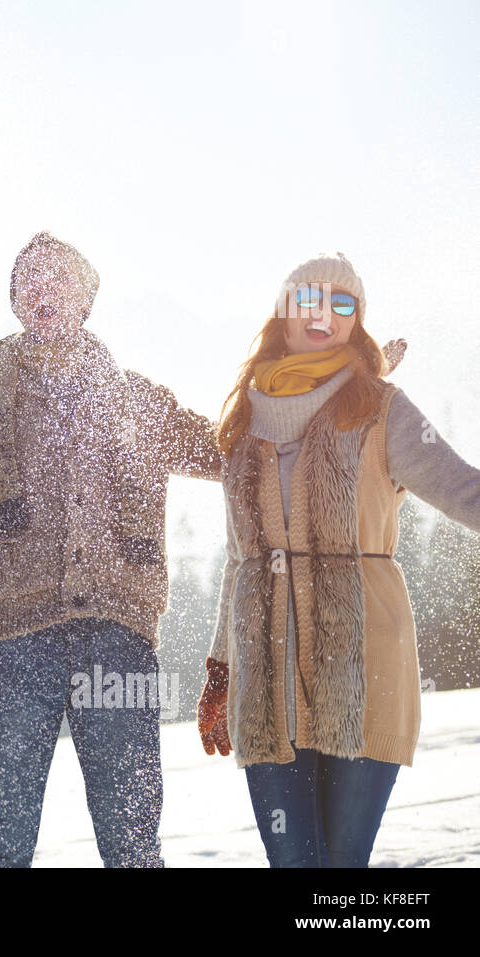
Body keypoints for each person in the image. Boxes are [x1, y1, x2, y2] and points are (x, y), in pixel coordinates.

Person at [0, 231, 222, 867]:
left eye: (58, 277)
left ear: (86, 298)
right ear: (14, 302)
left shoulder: (139, 401)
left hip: (119, 637)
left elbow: (237, 453)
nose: (43, 288)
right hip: (10, 645)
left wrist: (337, 387)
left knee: (134, 848)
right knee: (1, 847)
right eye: (28, 279)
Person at [197, 252, 476, 867]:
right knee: (295, 865)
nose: (323, 313)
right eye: (307, 299)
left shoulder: (380, 408)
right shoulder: (244, 424)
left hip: (365, 671)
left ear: (357, 320)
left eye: (341, 303)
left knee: (343, 869)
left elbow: (464, 491)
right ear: (282, 312)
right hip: (266, 688)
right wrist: (220, 668)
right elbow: (237, 561)